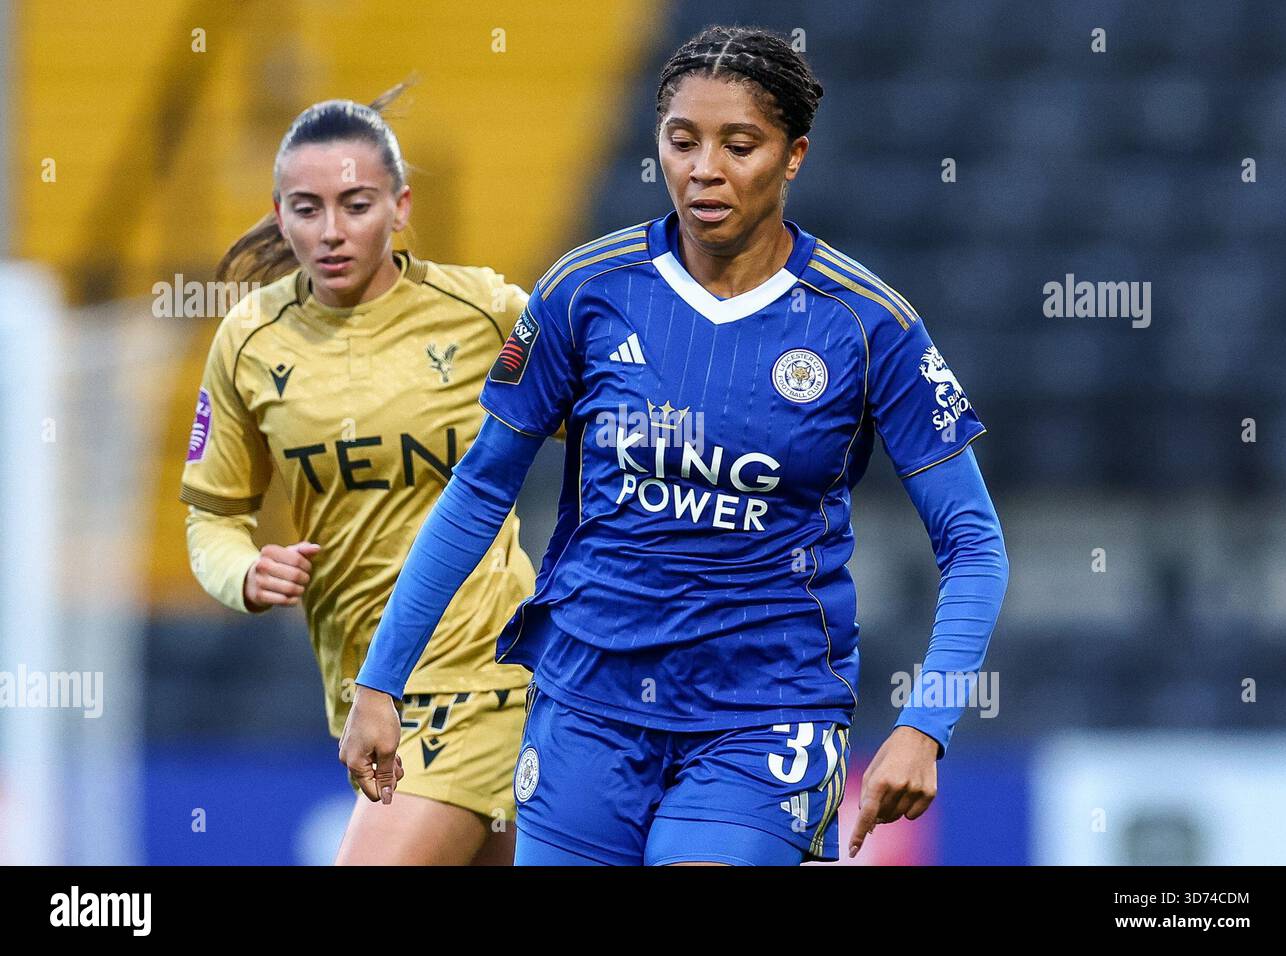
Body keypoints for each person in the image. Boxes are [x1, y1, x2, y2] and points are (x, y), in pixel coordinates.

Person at [341, 26, 1010, 866]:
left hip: (764, 714)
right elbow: (479, 490)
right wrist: (380, 680)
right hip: (586, 704)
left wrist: (926, 723)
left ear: (794, 155)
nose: (705, 168)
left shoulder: (865, 324)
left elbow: (974, 545)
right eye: (682, 140)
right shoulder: (585, 291)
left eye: (741, 145)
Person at [181, 85, 541, 865]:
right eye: (307, 209)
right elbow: (211, 517)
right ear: (280, 215)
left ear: (402, 206)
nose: (333, 231)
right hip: (362, 696)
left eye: (357, 203)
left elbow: (611, 406)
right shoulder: (249, 342)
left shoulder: (484, 311)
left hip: (485, 674)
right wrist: (243, 572)